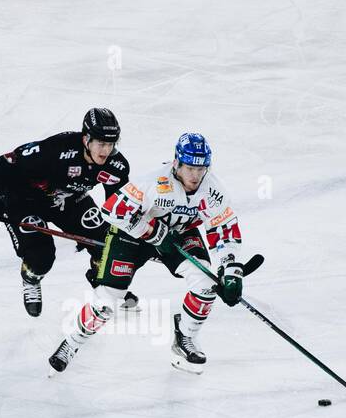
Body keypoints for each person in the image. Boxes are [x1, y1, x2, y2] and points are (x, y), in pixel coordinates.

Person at [49, 132, 245, 374]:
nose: (196, 175)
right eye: (190, 168)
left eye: (201, 168)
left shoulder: (213, 190)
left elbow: (223, 227)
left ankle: (185, 337)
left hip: (179, 234)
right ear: (177, 163)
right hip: (133, 235)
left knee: (206, 284)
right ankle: (72, 343)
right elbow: (113, 210)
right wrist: (151, 232)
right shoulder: (154, 183)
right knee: (107, 301)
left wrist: (230, 269)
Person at [0, 107, 132, 316]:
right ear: (86, 140)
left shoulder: (116, 165)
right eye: (101, 143)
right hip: (25, 201)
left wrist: (128, 227)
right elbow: (5, 163)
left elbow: (118, 203)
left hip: (69, 200)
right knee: (41, 257)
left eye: (111, 144)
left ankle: (105, 288)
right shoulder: (56, 150)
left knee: (107, 243)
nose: (106, 150)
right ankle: (31, 278)